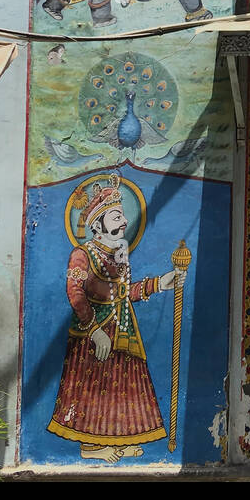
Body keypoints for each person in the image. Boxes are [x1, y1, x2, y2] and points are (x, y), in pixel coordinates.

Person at [47, 173, 185, 462]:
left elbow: (125, 293)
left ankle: (117, 440)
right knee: (95, 388)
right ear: (97, 224)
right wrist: (94, 329)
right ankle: (91, 447)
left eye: (122, 216)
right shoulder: (82, 255)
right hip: (93, 335)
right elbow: (75, 292)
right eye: (115, 216)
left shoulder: (120, 255)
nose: (123, 222)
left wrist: (161, 282)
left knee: (120, 388)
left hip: (123, 330)